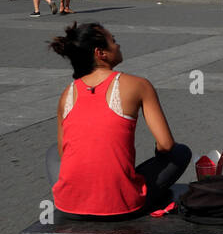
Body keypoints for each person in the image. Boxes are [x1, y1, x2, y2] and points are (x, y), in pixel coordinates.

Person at [47, 22, 191, 219]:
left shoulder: (67, 94)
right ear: (101, 53)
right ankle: (127, 190)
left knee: (53, 152)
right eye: (113, 41)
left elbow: (65, 153)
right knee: (180, 152)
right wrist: (159, 153)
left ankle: (72, 195)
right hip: (121, 207)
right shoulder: (139, 85)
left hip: (70, 209)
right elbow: (166, 144)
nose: (118, 45)